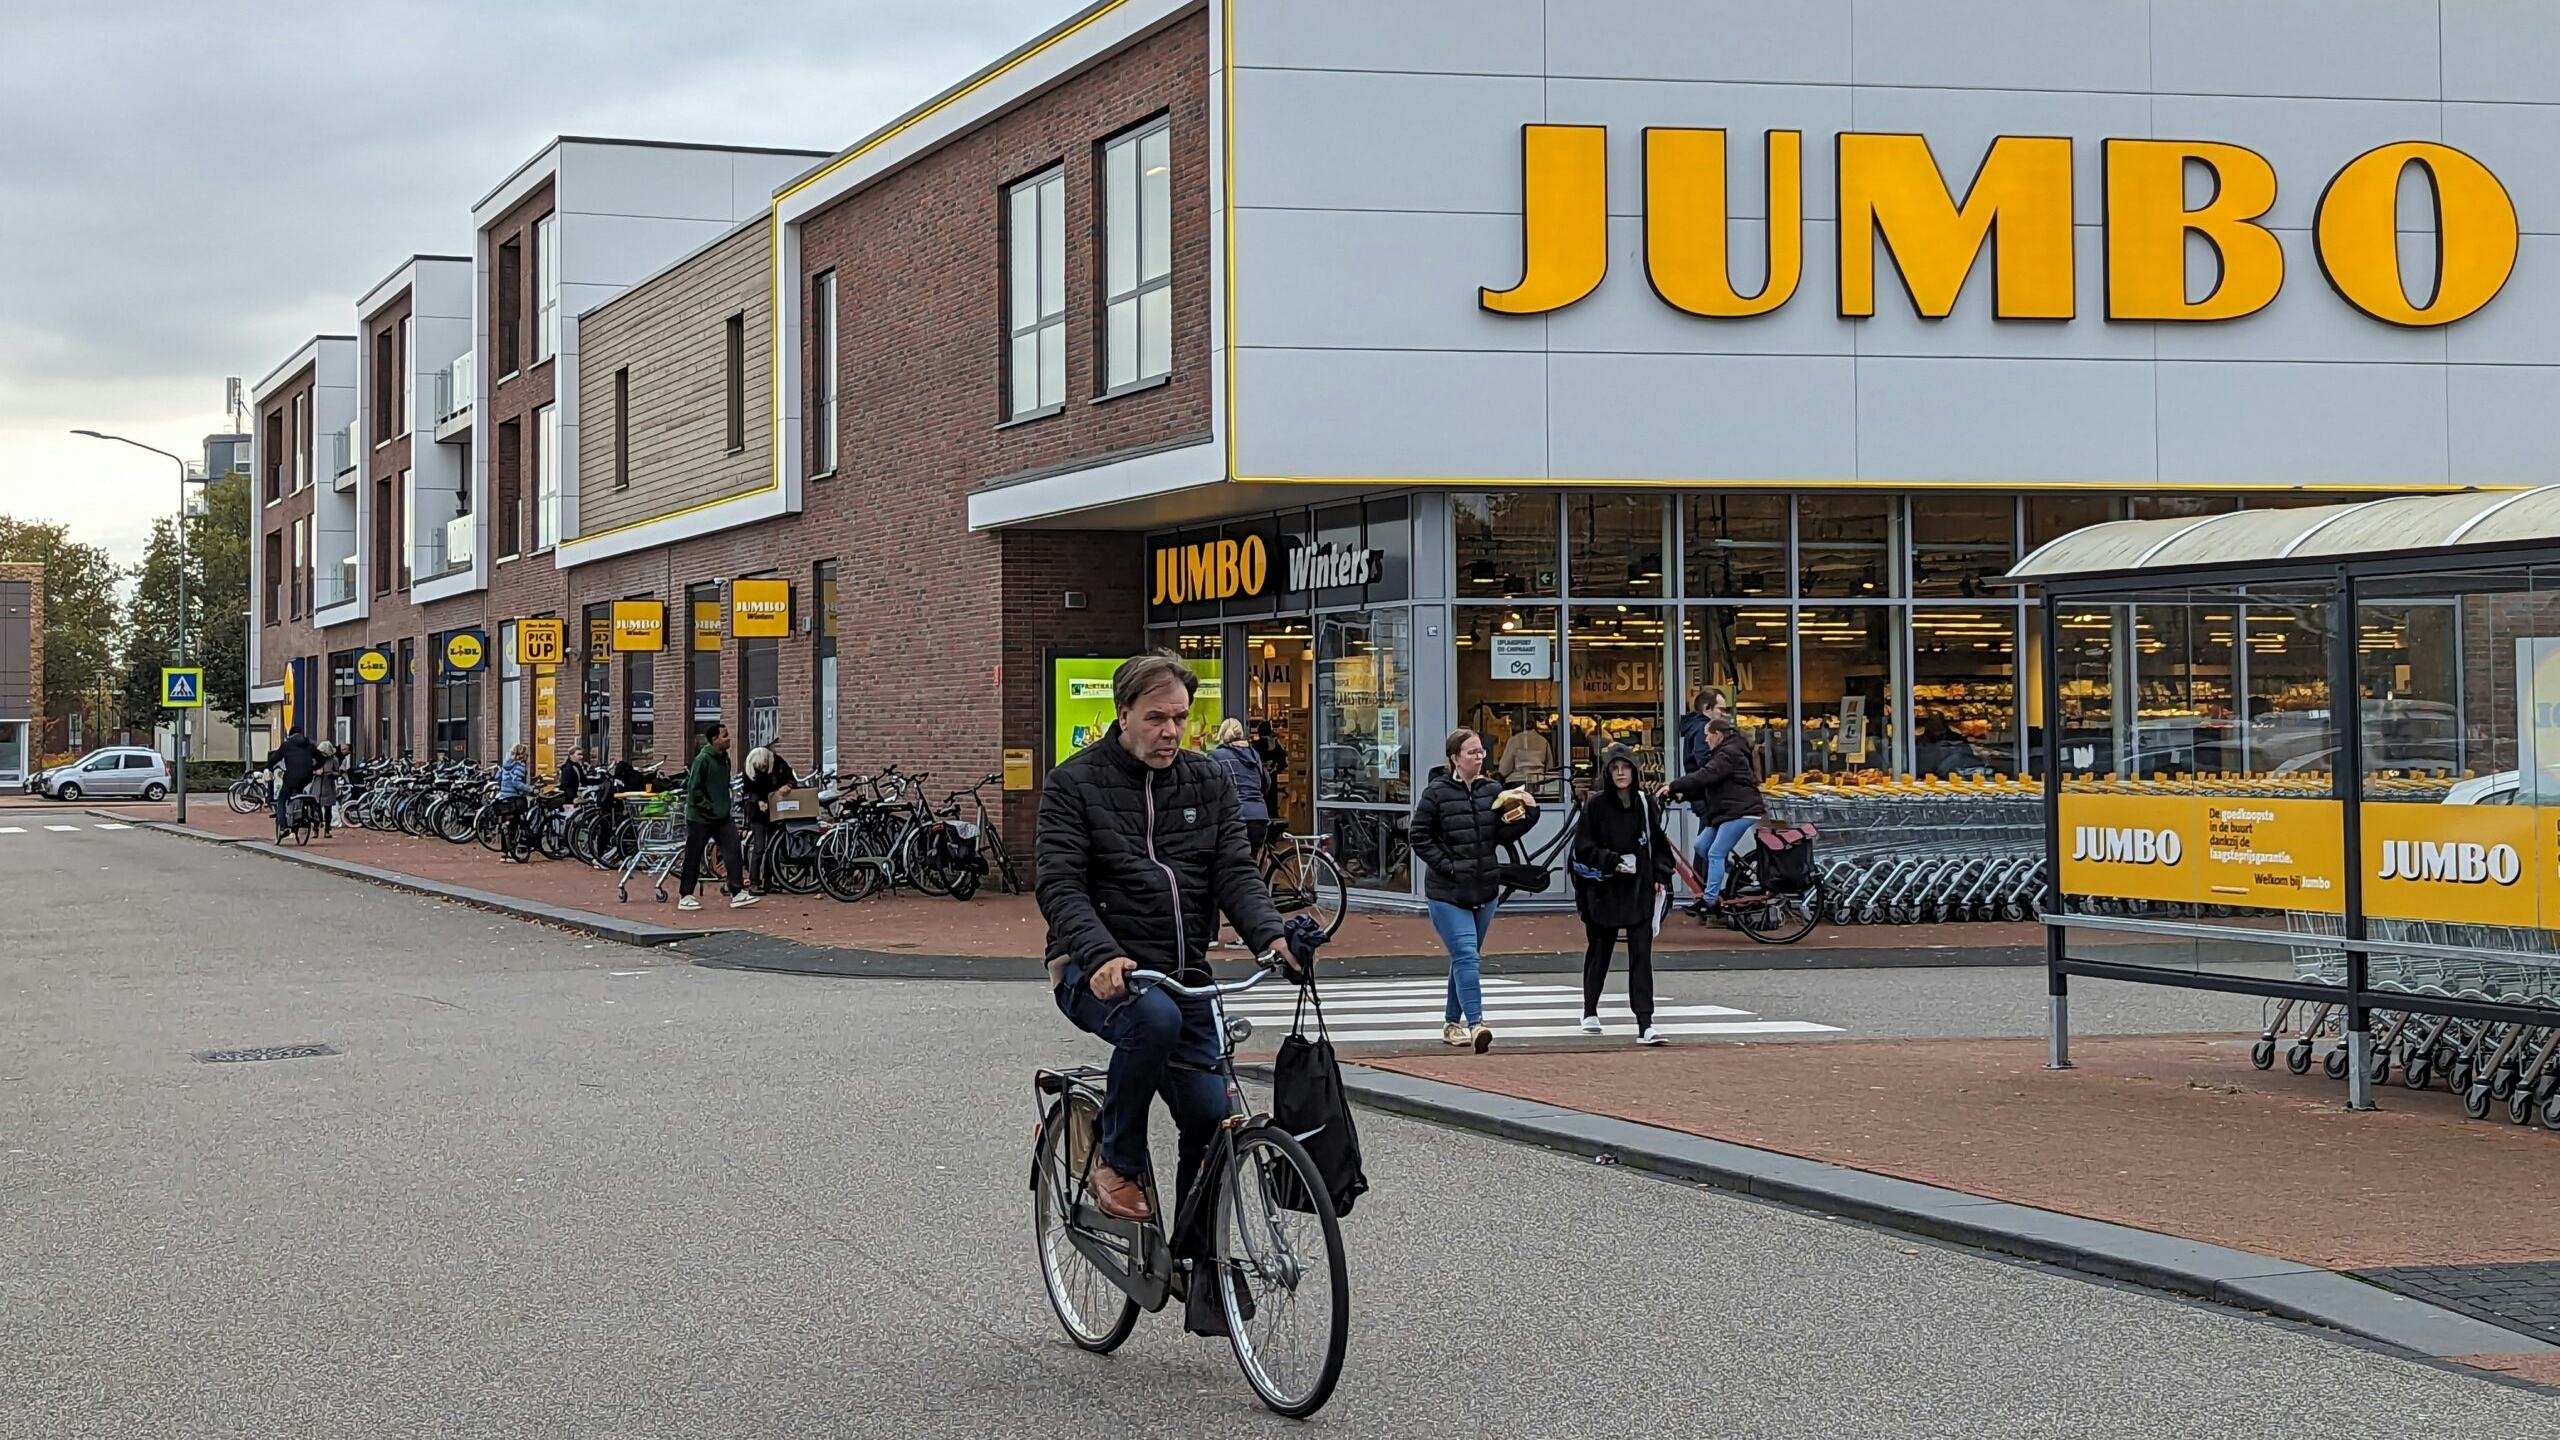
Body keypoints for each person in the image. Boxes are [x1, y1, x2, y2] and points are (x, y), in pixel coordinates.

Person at [1036, 652, 1295, 1249]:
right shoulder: (1074, 784)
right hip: (1093, 968)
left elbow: (1234, 870)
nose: (1172, 731)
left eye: (1181, 717)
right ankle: (1116, 1163)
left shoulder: (1208, 780)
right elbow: (1059, 883)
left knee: (1210, 1117)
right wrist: (1099, 956)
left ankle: (1197, 1266)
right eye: (1156, 718)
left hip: (1184, 973)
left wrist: (1272, 936)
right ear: (1122, 713)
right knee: (1152, 1019)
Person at [1410, 727, 1539, 1053]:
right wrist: (1448, 866)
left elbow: (1502, 834)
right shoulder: (1436, 793)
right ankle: (1476, 1023)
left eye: (1481, 751)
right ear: (1455, 757)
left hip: (1484, 889)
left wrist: (1530, 812)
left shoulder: (1492, 790)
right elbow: (1419, 835)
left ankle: (1451, 1024)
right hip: (1447, 892)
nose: (1479, 758)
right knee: (1467, 954)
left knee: (1464, 959)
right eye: (1472, 752)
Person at [1572, 743, 1675, 1045]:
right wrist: (1612, 861)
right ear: (1607, 772)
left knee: (1641, 955)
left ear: (1634, 770)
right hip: (1604, 887)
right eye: (1614, 768)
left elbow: (1657, 842)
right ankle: (1590, 1009)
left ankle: (1645, 1023)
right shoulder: (1596, 805)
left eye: (1625, 767)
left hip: (1637, 887)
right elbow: (1583, 848)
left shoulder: (1644, 803)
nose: (1620, 773)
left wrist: (1659, 874)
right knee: (1600, 950)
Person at [1668, 715, 1767, 912]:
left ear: (1718, 735)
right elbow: (1711, 784)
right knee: (1701, 846)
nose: (1705, 740)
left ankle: (1710, 900)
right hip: (1726, 811)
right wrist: (1681, 795)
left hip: (1741, 811)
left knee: (1715, 852)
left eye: (1708, 736)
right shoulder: (1725, 752)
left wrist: (1672, 785)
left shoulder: (1728, 754)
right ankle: (1736, 874)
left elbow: (1705, 775)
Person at [677, 723, 756, 911]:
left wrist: (724, 806)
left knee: (733, 848)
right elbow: (693, 788)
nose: (729, 739)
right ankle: (685, 895)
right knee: (694, 854)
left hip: (721, 815)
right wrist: (709, 807)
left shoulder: (725, 759)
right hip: (700, 817)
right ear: (714, 740)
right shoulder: (702, 760)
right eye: (725, 736)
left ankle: (737, 892)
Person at [1207, 717, 1272, 853]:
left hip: (1235, 817)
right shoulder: (1254, 755)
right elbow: (1266, 783)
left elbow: (1209, 788)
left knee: (1230, 863)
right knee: (1251, 862)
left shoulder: (1217, 756)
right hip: (1260, 816)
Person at [739, 745, 799, 893]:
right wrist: (758, 801)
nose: (763, 769)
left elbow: (791, 779)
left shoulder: (778, 762)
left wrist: (788, 785)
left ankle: (769, 880)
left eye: (765, 766)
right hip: (757, 811)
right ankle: (754, 881)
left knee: (773, 846)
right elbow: (748, 790)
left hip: (775, 808)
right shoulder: (750, 768)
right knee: (759, 846)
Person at [265, 726, 318, 843]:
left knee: (281, 799)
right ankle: (302, 817)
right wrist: (314, 767)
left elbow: (274, 759)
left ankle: (283, 827)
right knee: (300, 792)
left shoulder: (287, 745)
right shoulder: (310, 746)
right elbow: (321, 758)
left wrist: (269, 767)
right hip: (307, 778)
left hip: (291, 778)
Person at [495, 742, 537, 863]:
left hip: (504, 797)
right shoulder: (520, 765)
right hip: (514, 798)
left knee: (505, 825)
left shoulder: (506, 764)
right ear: (523, 754)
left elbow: (498, 778)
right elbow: (516, 782)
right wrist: (530, 789)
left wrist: (503, 788)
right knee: (515, 824)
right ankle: (512, 852)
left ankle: (504, 854)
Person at [1495, 715, 1554, 793]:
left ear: (1517, 724)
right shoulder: (1544, 741)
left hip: (1516, 784)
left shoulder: (1514, 740)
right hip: (1538, 785)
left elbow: (1504, 770)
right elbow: (1550, 767)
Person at [1250, 721, 1287, 816]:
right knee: (1272, 808)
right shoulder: (1275, 745)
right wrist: (1274, 770)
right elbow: (1283, 763)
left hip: (1257, 783)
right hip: (1272, 782)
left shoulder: (1254, 746)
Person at [310, 741, 341, 839]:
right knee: (315, 809)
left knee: (328, 810)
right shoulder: (315, 759)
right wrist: (315, 772)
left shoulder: (334, 760)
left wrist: (331, 773)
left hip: (328, 787)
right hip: (317, 787)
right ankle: (315, 829)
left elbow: (338, 772)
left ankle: (327, 829)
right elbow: (309, 769)